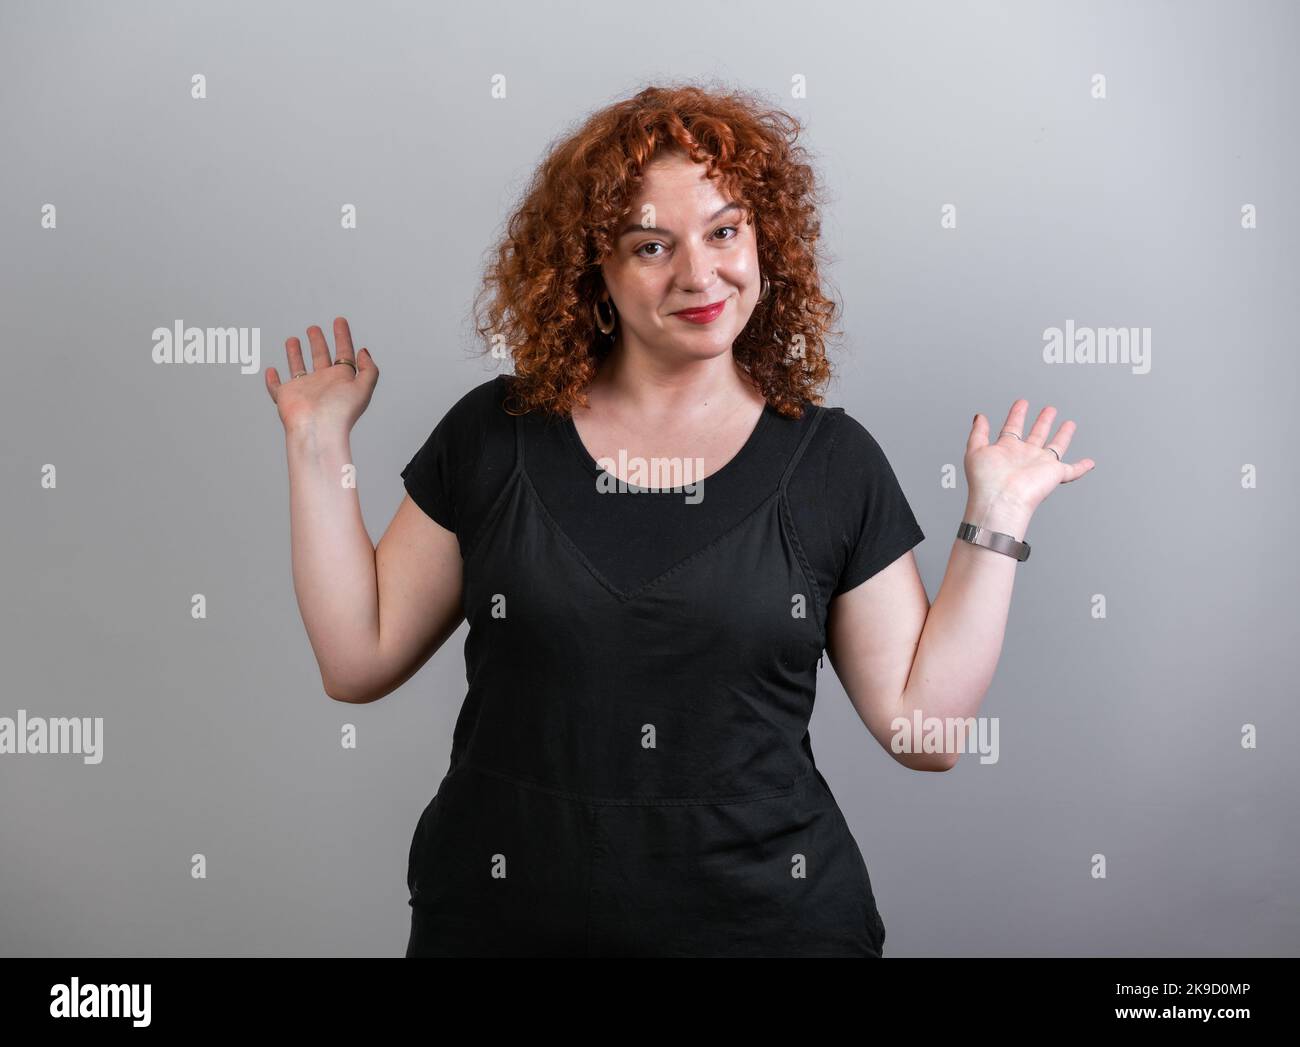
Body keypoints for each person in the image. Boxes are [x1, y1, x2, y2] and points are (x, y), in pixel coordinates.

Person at [264, 84, 1095, 957]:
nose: (700, 275)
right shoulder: (493, 435)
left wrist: (996, 519)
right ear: (596, 271)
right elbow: (357, 661)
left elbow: (925, 733)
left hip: (769, 930)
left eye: (726, 231)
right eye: (652, 246)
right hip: (500, 922)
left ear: (766, 239)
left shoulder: (832, 464)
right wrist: (317, 445)